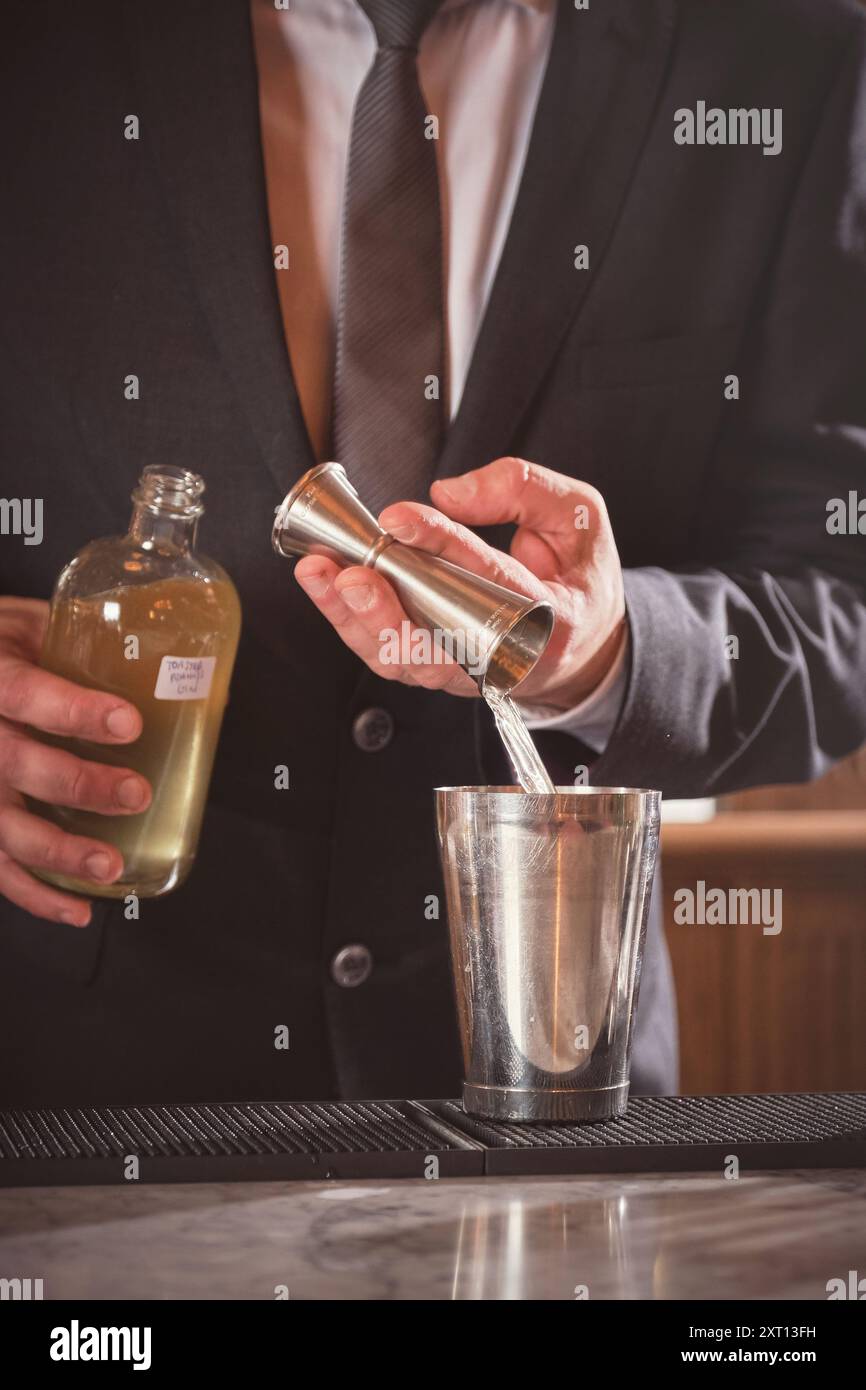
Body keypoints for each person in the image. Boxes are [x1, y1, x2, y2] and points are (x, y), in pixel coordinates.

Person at [0, 0, 864, 1106]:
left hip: (551, 1085)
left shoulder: (776, 50)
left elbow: (835, 591)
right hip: (82, 1094)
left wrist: (605, 655)